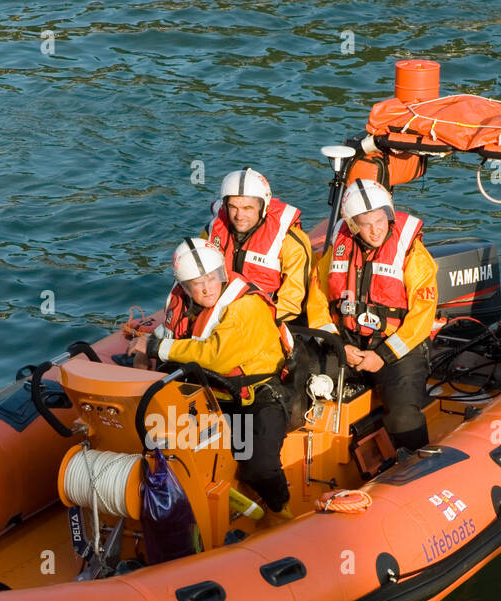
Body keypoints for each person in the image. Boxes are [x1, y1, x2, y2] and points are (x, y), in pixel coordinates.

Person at [128, 238, 292, 513]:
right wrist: (146, 348)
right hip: (211, 393)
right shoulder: (182, 301)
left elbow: (217, 356)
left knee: (259, 466)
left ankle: (281, 512)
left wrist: (157, 348)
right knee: (172, 450)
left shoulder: (245, 306)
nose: (206, 288)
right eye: (197, 283)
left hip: (256, 395)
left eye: (211, 278)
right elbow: (173, 332)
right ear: (185, 286)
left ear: (222, 274)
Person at [305, 179, 437, 451]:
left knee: (403, 417)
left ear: (388, 214)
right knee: (301, 380)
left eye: (380, 220)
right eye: (366, 223)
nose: (375, 230)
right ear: (353, 225)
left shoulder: (411, 251)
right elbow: (318, 297)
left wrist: (383, 356)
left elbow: (422, 316)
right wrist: (338, 345)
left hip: (399, 347)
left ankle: (419, 463)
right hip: (348, 342)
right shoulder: (338, 246)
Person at [202, 167, 314, 328]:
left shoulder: (291, 241)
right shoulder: (212, 231)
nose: (239, 216)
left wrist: (244, 323)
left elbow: (291, 305)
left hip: (266, 323)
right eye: (233, 207)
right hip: (219, 315)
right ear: (225, 206)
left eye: (248, 208)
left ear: (263, 207)